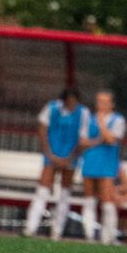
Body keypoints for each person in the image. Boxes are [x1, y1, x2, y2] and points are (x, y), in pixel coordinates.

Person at [24, 88, 87, 239]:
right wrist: (49, 153)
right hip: (51, 154)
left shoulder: (83, 113)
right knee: (43, 189)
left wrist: (70, 157)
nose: (71, 105)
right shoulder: (52, 108)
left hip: (70, 156)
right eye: (69, 101)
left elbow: (82, 138)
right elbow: (42, 129)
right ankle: (31, 227)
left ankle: (57, 230)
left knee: (65, 193)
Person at [79, 90, 126, 245]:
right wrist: (99, 140)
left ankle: (108, 236)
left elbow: (111, 139)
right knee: (89, 198)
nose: (101, 105)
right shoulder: (88, 119)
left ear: (112, 104)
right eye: (99, 101)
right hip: (90, 161)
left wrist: (101, 124)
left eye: (105, 102)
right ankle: (89, 234)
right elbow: (83, 142)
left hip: (107, 162)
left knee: (107, 200)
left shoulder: (118, 120)